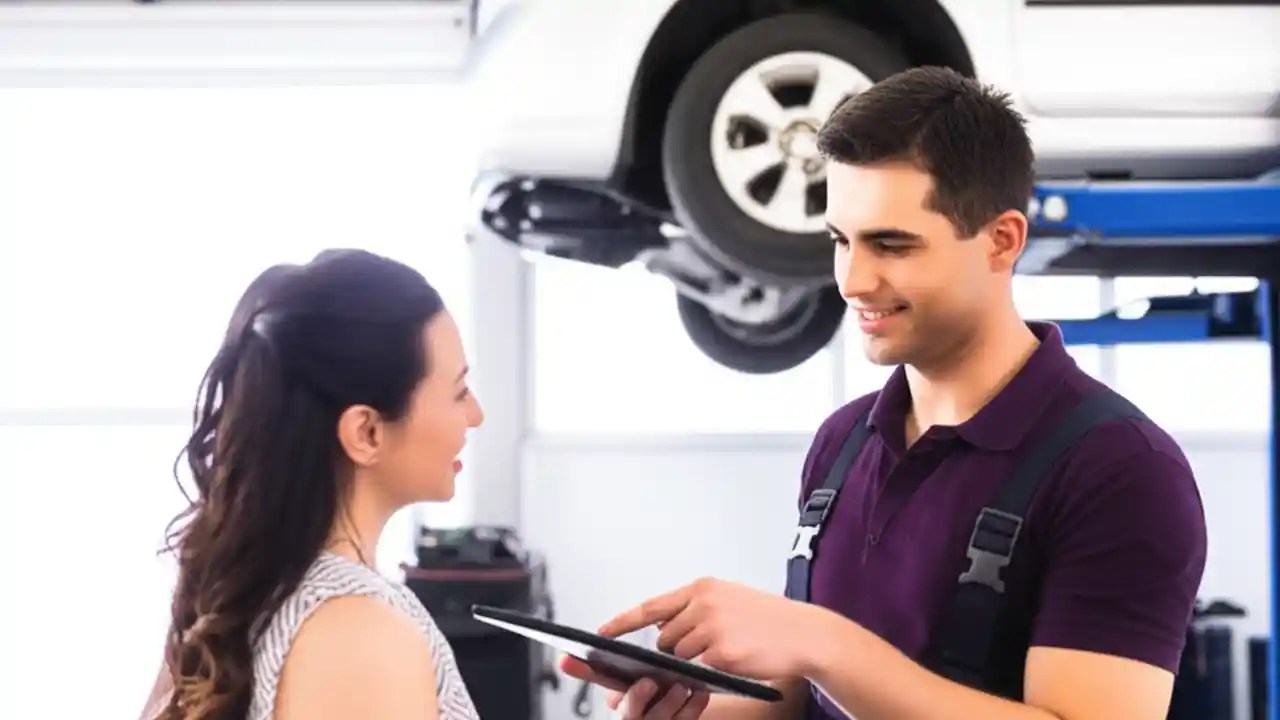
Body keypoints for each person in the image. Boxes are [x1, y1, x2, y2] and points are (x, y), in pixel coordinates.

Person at [563, 66, 1208, 719]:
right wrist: (692, 711)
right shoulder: (842, 444)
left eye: (891, 245)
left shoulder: (1121, 471)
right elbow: (804, 698)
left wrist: (822, 642)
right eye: (841, 241)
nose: (852, 280)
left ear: (1002, 241)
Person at [139, 249, 485, 720]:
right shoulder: (361, 637)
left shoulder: (242, 597)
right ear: (366, 432)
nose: (475, 415)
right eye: (459, 391)